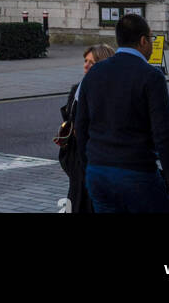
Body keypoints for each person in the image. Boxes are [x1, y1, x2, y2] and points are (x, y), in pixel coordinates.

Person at [76, 13, 169, 214]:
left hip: (98, 172)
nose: (152, 45)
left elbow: (81, 127)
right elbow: (164, 134)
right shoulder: (152, 76)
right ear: (143, 41)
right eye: (150, 39)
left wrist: (88, 167)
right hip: (136, 172)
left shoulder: (94, 73)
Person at [56, 44, 114, 213]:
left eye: (92, 63)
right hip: (79, 161)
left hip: (97, 161)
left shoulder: (108, 92)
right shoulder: (78, 89)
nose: (86, 65)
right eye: (85, 61)